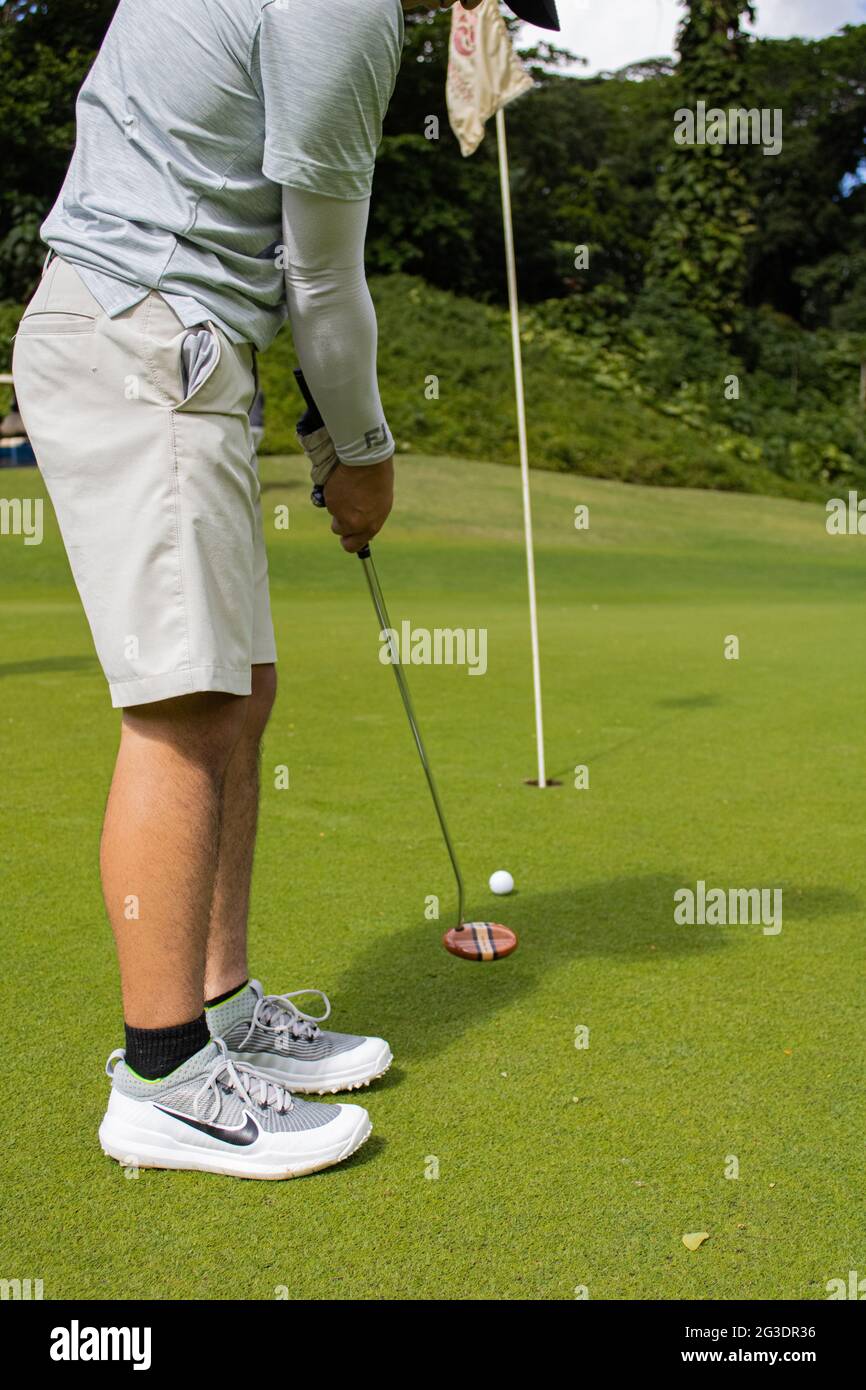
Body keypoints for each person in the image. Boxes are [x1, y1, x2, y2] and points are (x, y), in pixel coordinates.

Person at [12, 0, 558, 1181]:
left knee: (237, 690)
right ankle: (161, 1078)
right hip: (146, 329)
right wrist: (361, 454)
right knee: (189, 707)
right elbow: (321, 276)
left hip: (167, 333)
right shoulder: (343, 5)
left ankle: (220, 1010)